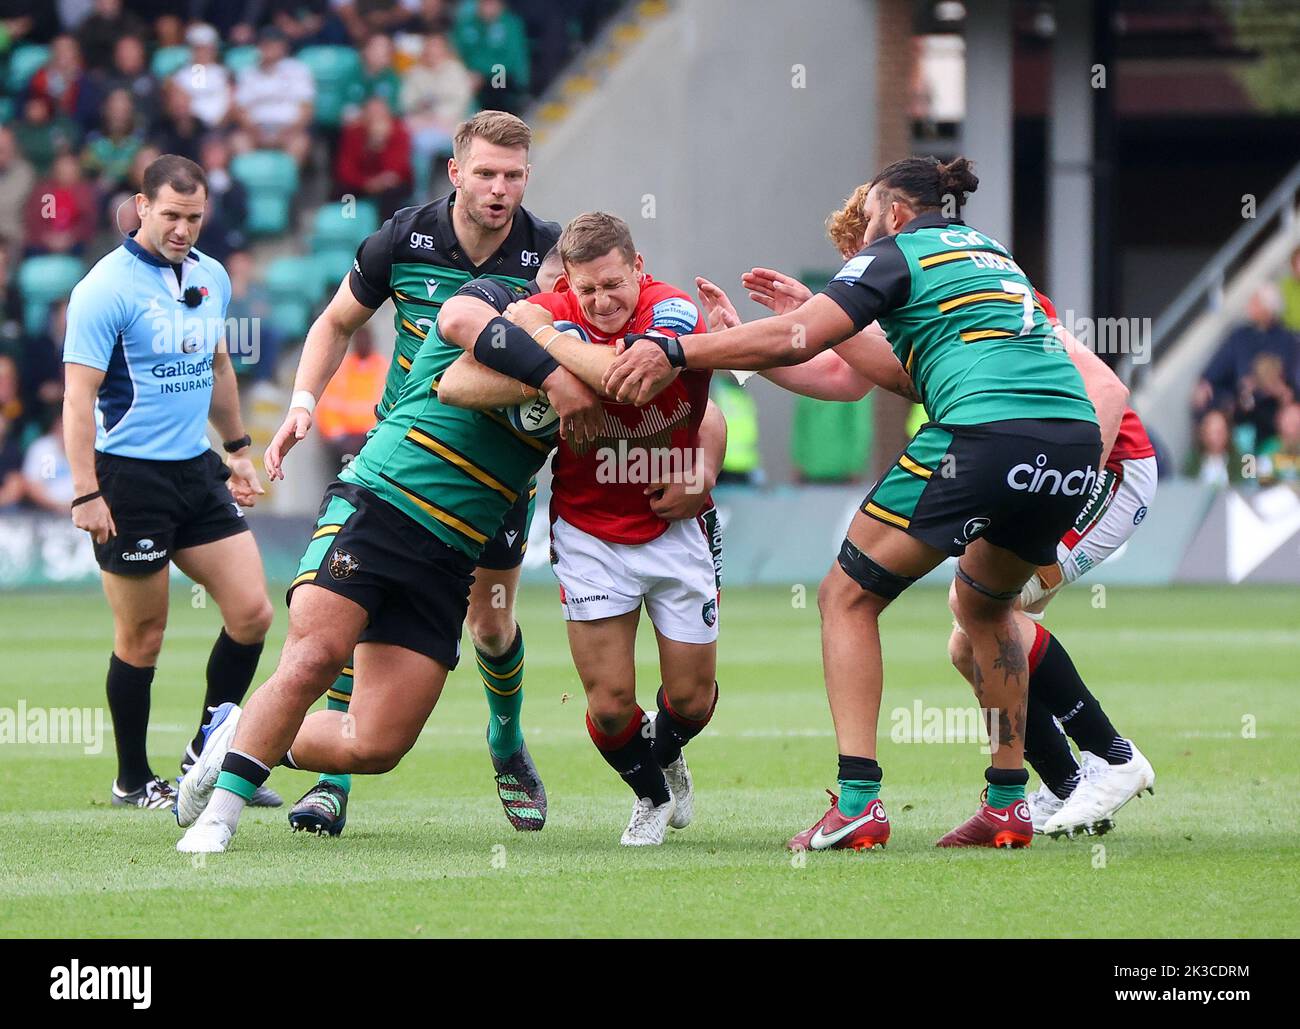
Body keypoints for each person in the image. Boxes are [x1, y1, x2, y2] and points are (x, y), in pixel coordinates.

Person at [608, 155, 1103, 850]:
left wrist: (682, 351)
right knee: (987, 609)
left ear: (893, 211)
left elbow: (798, 339)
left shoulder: (896, 251)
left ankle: (859, 799)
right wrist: (772, 335)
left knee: (847, 596)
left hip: (980, 436)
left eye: (868, 218)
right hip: (1072, 445)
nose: (865, 232)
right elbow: (894, 375)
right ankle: (1007, 801)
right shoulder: (991, 255)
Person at [173, 244, 599, 859]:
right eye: (565, 285)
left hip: (452, 550)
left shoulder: (597, 357)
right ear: (544, 279)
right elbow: (454, 365)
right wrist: (556, 370)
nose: (575, 301)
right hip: (380, 502)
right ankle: (218, 818)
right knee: (315, 655)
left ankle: (242, 731)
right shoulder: (497, 302)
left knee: (374, 744)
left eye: (588, 293)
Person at [259, 110, 585, 838]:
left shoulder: (548, 255)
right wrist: (302, 405)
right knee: (353, 610)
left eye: (513, 176)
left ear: (527, 178)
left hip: (494, 473)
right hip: (402, 454)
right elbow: (335, 322)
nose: (500, 190)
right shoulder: (404, 237)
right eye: (486, 174)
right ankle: (330, 778)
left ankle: (504, 740)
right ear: (456, 173)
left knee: (492, 624)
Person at [439, 212, 727, 846]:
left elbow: (636, 382)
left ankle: (667, 749)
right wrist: (545, 371)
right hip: (588, 532)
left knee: (693, 700)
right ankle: (650, 795)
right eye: (586, 289)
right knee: (610, 702)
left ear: (639, 270)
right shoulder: (546, 307)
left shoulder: (673, 311)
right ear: (567, 281)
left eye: (613, 284)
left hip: (675, 524)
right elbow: (453, 382)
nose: (601, 301)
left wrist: (554, 345)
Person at [61, 154, 278, 811]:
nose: (184, 228)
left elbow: (217, 364)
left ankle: (204, 758)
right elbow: (78, 397)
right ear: (141, 207)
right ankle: (132, 779)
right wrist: (85, 490)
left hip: (195, 469)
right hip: (128, 479)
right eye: (172, 215)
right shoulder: (105, 287)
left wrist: (238, 448)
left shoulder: (212, 277)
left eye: (195, 216)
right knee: (144, 636)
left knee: (252, 613)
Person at [232, 27, 315, 167]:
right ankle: (249, 186)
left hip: (289, 129)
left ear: (283, 46)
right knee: (238, 141)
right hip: (256, 129)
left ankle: (285, 186)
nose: (269, 48)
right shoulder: (248, 73)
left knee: (300, 143)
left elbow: (307, 108)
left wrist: (289, 131)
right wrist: (254, 131)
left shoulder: (298, 70)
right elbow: (240, 109)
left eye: (274, 44)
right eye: (265, 44)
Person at [334, 95, 413, 221]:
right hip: (362, 182)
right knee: (344, 192)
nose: (376, 119)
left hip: (389, 184)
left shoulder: (399, 133)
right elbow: (345, 169)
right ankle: (348, 224)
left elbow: (396, 170)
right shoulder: (353, 133)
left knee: (392, 193)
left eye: (380, 115)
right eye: (371, 114)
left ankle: (385, 232)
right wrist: (366, 183)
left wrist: (380, 145)